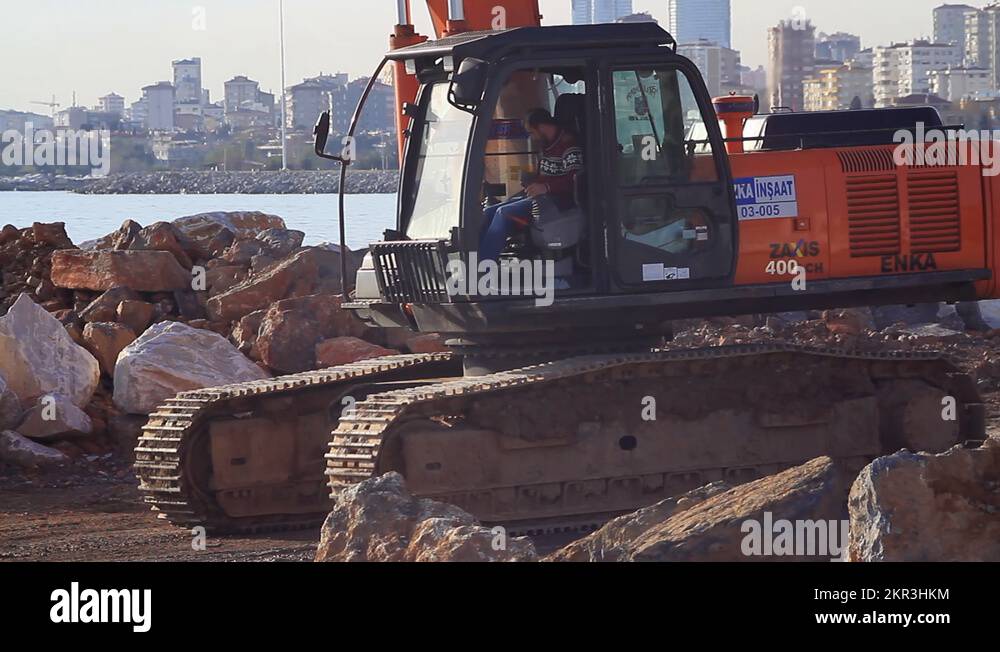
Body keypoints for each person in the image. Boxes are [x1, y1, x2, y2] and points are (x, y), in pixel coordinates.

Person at [478, 108, 584, 263]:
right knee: (488, 211)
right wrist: (531, 181)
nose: (531, 137)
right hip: (541, 196)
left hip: (557, 201)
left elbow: (574, 181)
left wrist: (546, 187)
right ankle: (473, 259)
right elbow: (547, 175)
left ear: (540, 127)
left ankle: (481, 269)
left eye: (531, 132)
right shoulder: (547, 146)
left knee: (503, 213)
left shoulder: (568, 145)